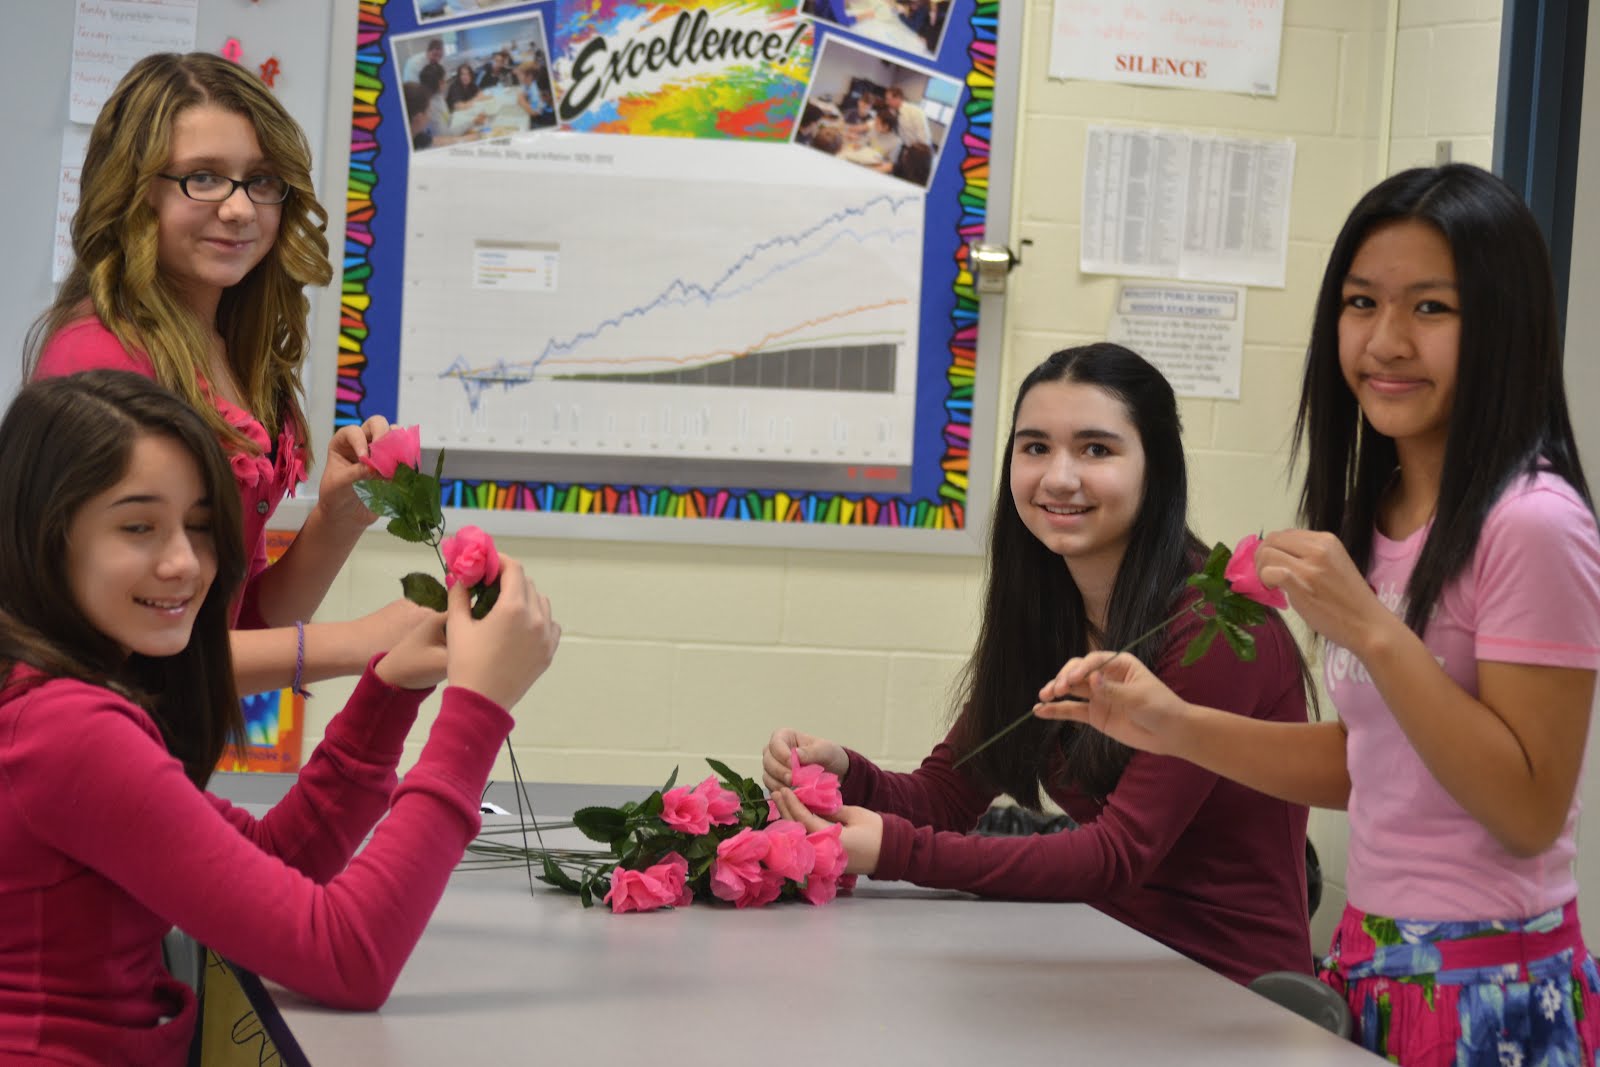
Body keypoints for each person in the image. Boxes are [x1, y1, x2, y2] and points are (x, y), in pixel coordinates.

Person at [1035, 165, 1600, 1065]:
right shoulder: (1382, 511)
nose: (1385, 341)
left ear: (1504, 323)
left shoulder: (1534, 521)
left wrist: (1372, 628)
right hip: (1371, 969)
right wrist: (1171, 724)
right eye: (1361, 302)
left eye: (1432, 308)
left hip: (1491, 994)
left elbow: (1529, 810)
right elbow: (1374, 762)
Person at [0, 370, 562, 1064]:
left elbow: (273, 861)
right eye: (138, 527)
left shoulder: (58, 697)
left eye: (200, 526)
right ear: (45, 536)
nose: (184, 563)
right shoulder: (67, 730)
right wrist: (476, 712)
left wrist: (389, 691)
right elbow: (350, 956)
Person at [764, 343, 1315, 986]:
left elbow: (1116, 856)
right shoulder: (1048, 615)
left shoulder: (1215, 628)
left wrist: (895, 851)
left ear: (1157, 467)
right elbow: (946, 796)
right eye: (1035, 447)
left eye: (1096, 449)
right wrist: (848, 772)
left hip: (1228, 990)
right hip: (1099, 962)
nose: (1058, 478)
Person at [27, 52, 427, 699]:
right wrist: (364, 643)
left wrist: (337, 516)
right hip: (88, 739)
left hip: (171, 741)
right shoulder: (99, 360)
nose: (240, 209)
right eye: (204, 177)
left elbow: (235, 623)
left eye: (261, 180)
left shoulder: (233, 350)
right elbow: (119, 656)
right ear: (134, 191)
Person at [883, 85, 930, 149]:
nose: (886, 103)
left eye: (888, 99)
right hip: (902, 146)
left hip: (918, 149)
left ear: (898, 98)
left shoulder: (915, 112)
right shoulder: (892, 111)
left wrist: (917, 151)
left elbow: (924, 139)